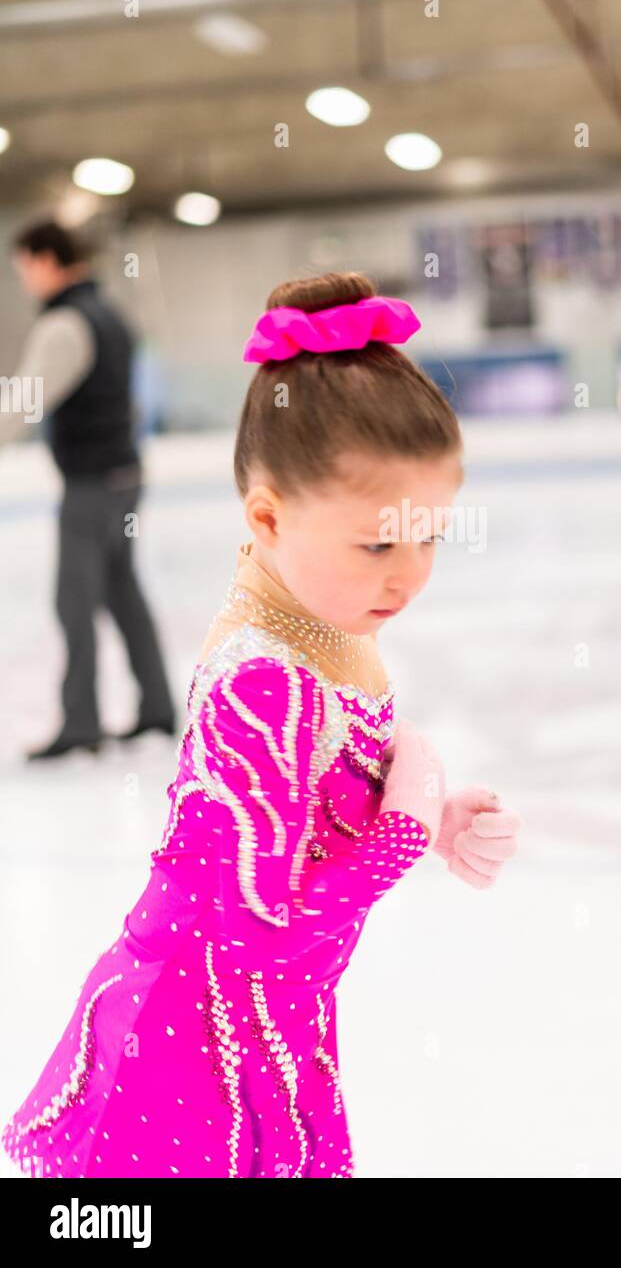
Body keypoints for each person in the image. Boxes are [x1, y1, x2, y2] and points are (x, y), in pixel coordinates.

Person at [0, 269, 521, 1179]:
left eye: (430, 535)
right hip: (183, 1059)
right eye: (378, 543)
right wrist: (400, 828)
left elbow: (323, 783)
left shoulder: (318, 620)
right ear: (267, 517)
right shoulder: (260, 683)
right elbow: (252, 934)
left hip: (253, 1038)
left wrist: (424, 807)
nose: (411, 576)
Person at [0, 219, 176, 759]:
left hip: (92, 485)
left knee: (74, 601)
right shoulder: (110, 314)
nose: (23, 278)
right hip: (123, 476)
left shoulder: (65, 324)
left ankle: (81, 724)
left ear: (44, 259)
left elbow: (23, 403)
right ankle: (157, 708)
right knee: (122, 593)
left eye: (23, 267)